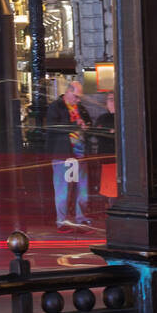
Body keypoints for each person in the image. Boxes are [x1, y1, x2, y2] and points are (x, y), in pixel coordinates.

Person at [45, 79, 94, 230]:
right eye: (76, 96)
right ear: (68, 92)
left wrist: (86, 126)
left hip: (80, 153)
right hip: (63, 154)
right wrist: (75, 125)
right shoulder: (56, 107)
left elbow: (89, 124)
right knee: (63, 190)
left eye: (79, 97)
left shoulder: (81, 108)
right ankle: (62, 220)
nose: (78, 100)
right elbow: (53, 127)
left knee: (83, 189)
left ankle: (81, 217)